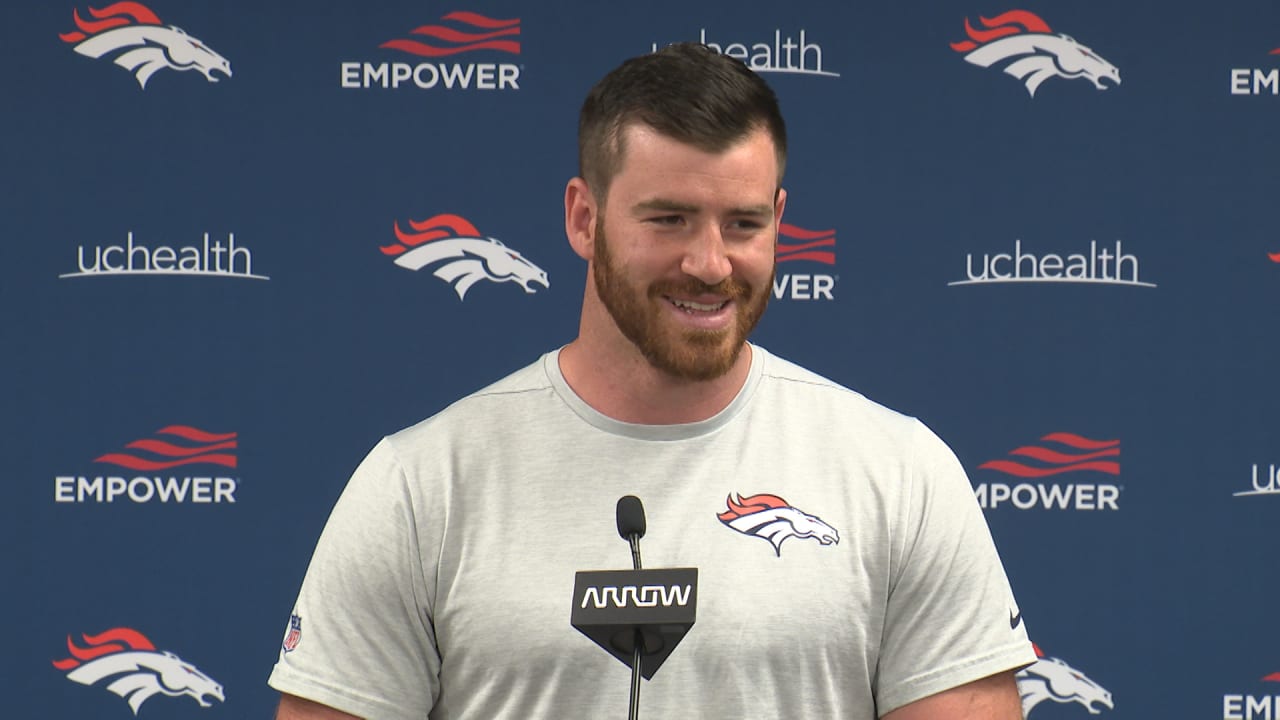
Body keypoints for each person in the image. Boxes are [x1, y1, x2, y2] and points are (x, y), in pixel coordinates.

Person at [268, 42, 1035, 719]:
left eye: (742, 224)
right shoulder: (420, 485)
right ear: (583, 218)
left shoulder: (900, 472)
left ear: (779, 219)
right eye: (668, 220)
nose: (709, 263)